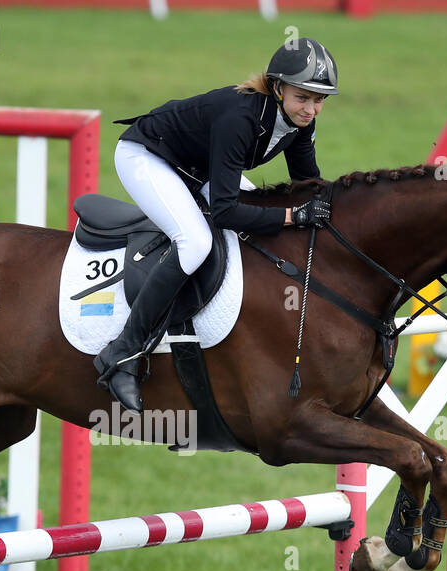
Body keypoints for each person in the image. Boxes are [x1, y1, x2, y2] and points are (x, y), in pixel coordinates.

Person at [94, 37, 339, 413]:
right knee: (195, 243)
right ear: (277, 88)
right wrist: (291, 217)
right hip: (148, 157)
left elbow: (308, 185)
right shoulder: (240, 118)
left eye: (319, 99)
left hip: (200, 167)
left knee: (259, 210)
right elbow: (225, 211)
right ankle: (121, 354)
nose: (311, 109)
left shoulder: (301, 123)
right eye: (302, 97)